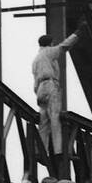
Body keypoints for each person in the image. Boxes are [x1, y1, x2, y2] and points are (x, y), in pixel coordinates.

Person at [32, 30, 79, 169]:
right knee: (55, 118)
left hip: (40, 88)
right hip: (50, 84)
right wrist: (76, 34)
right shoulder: (47, 52)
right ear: (49, 43)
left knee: (43, 121)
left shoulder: (36, 59)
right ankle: (59, 151)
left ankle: (40, 150)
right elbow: (64, 46)